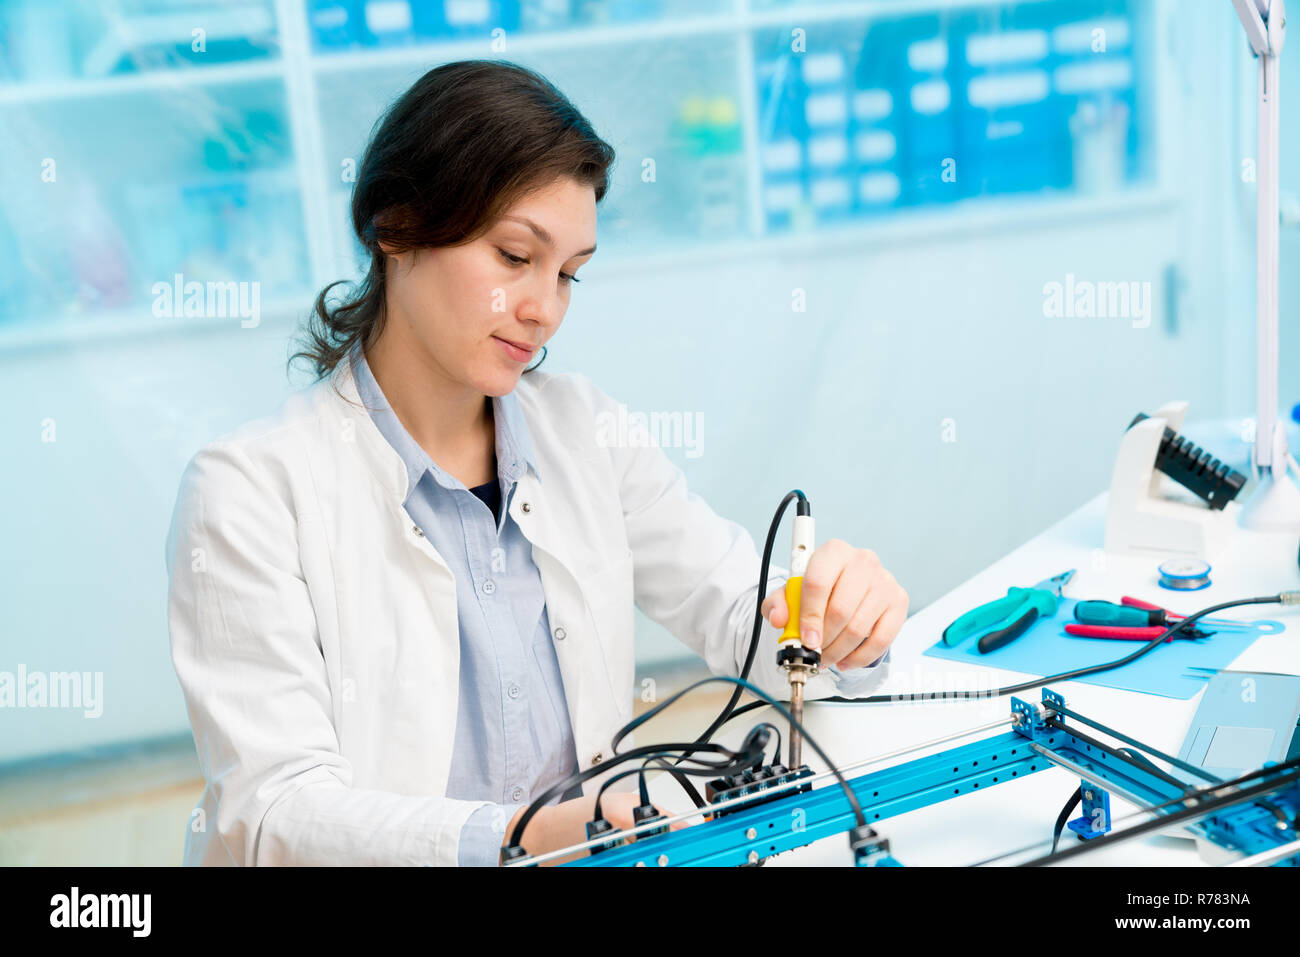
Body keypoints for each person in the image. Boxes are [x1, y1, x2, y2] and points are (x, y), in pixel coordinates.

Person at [165, 59, 908, 867]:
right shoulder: (248, 492)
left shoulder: (582, 429)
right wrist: (518, 836)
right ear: (396, 227)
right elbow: (274, 816)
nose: (543, 306)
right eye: (515, 256)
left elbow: (741, 610)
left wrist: (838, 623)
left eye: (567, 274)